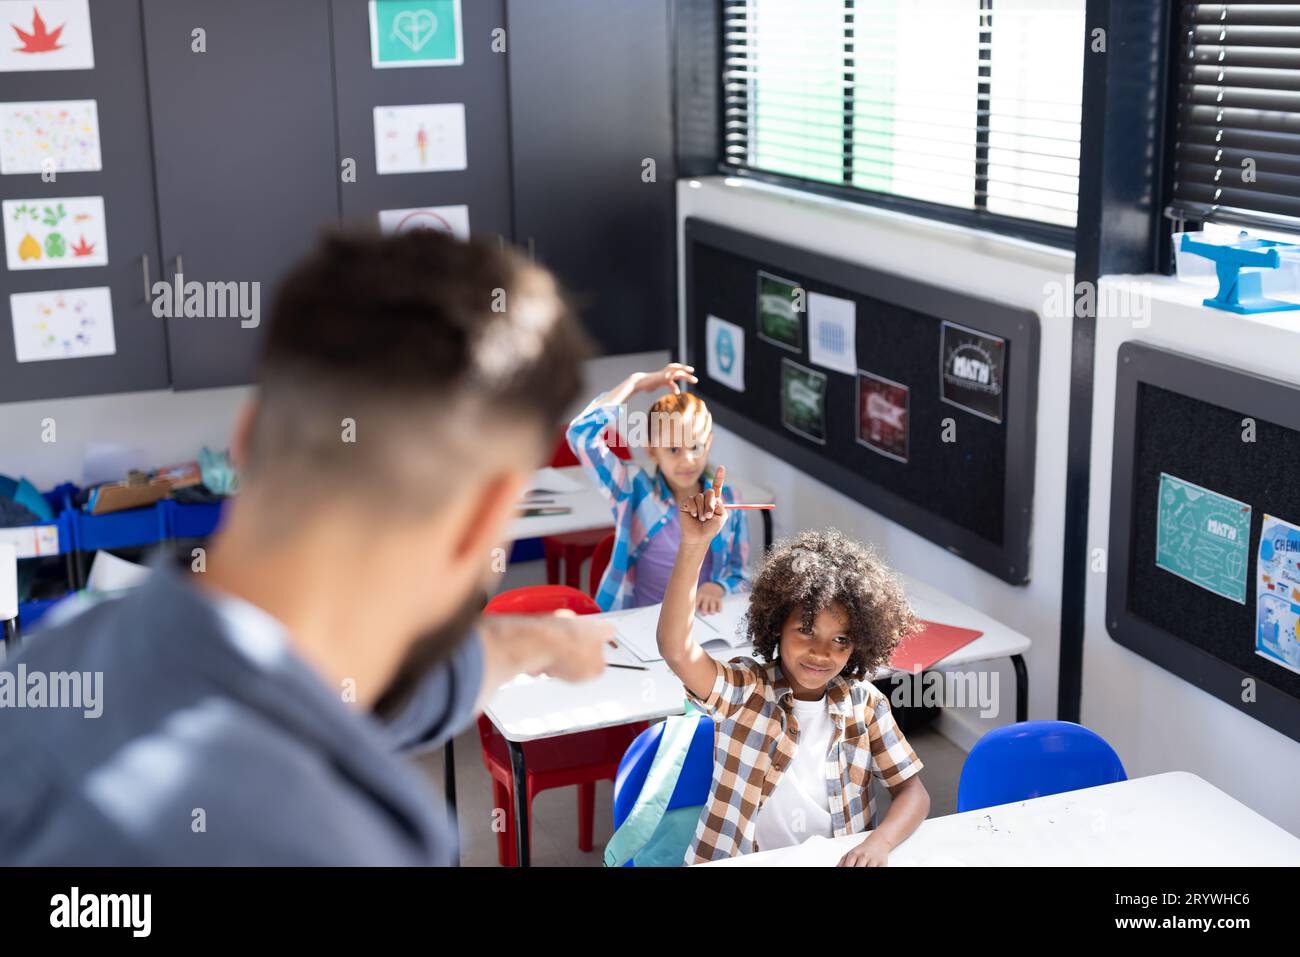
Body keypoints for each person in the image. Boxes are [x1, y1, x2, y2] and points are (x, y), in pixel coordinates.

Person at [0, 230, 613, 865]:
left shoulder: (60, 657)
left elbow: (352, 684)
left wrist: (536, 642)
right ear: (483, 522)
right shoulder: (334, 843)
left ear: (246, 440)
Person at [657, 473, 930, 865]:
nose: (821, 653)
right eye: (806, 630)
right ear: (777, 625)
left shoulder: (865, 705)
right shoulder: (745, 691)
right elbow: (676, 649)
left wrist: (879, 843)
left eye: (841, 640)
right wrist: (695, 544)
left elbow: (914, 793)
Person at [566, 363, 748, 612]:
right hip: (640, 626)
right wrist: (635, 383)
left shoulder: (729, 501)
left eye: (696, 446)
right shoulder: (634, 489)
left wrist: (720, 587)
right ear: (652, 451)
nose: (688, 460)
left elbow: (740, 575)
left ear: (709, 443)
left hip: (700, 627)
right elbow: (581, 436)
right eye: (673, 449)